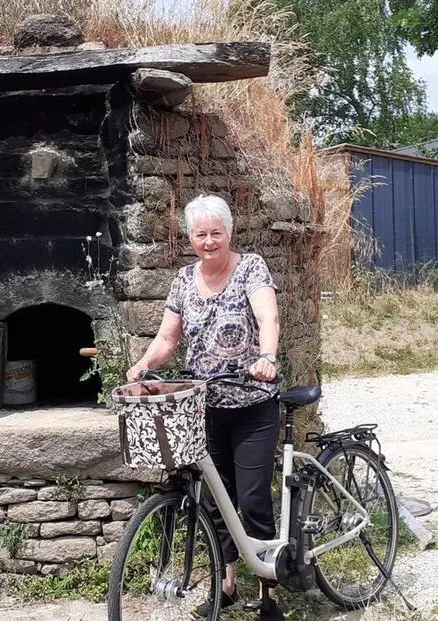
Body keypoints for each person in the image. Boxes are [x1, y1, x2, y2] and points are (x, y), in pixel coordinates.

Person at [125, 194, 283, 620]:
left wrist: (266, 357)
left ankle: (269, 592)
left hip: (252, 405)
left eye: (216, 233)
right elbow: (168, 338)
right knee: (214, 500)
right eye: (201, 234)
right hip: (204, 408)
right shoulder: (182, 279)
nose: (209, 241)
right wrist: (143, 363)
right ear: (190, 238)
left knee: (250, 499)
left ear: (229, 233)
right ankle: (226, 582)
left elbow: (267, 317)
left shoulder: (250, 267)